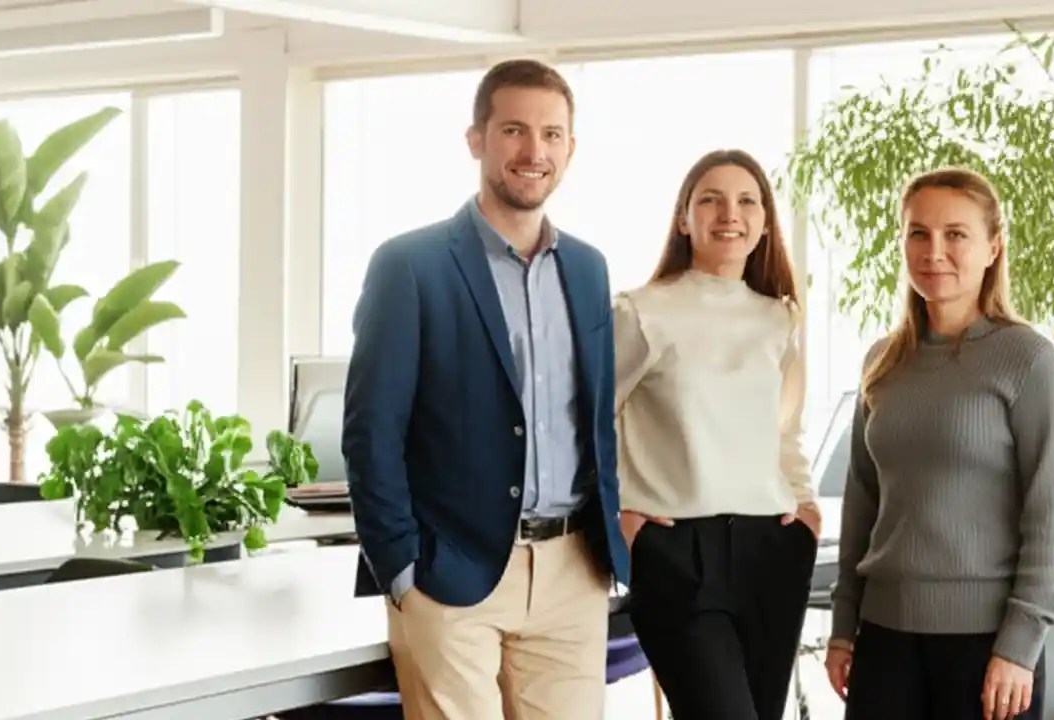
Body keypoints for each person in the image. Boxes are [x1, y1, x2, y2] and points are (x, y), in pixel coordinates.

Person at [341, 58, 630, 720]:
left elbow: (595, 421)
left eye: (552, 135)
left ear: (571, 148)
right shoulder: (409, 265)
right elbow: (371, 431)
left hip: (571, 570)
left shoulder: (587, 269)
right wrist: (402, 569)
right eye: (513, 131)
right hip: (450, 571)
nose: (534, 152)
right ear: (477, 140)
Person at [823, 167, 1054, 720]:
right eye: (918, 233)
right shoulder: (882, 363)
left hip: (987, 647)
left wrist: (1019, 646)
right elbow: (862, 503)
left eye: (955, 234)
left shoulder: (1028, 361)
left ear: (993, 247)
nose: (933, 251)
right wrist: (844, 627)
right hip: (884, 638)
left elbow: (1050, 516)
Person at [612, 149, 821, 720]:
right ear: (684, 219)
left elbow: (785, 430)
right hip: (677, 550)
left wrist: (805, 508)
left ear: (765, 221)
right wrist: (619, 511)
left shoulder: (780, 318)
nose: (730, 214)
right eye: (711, 200)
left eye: (747, 201)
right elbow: (589, 420)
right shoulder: (640, 312)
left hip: (773, 547)